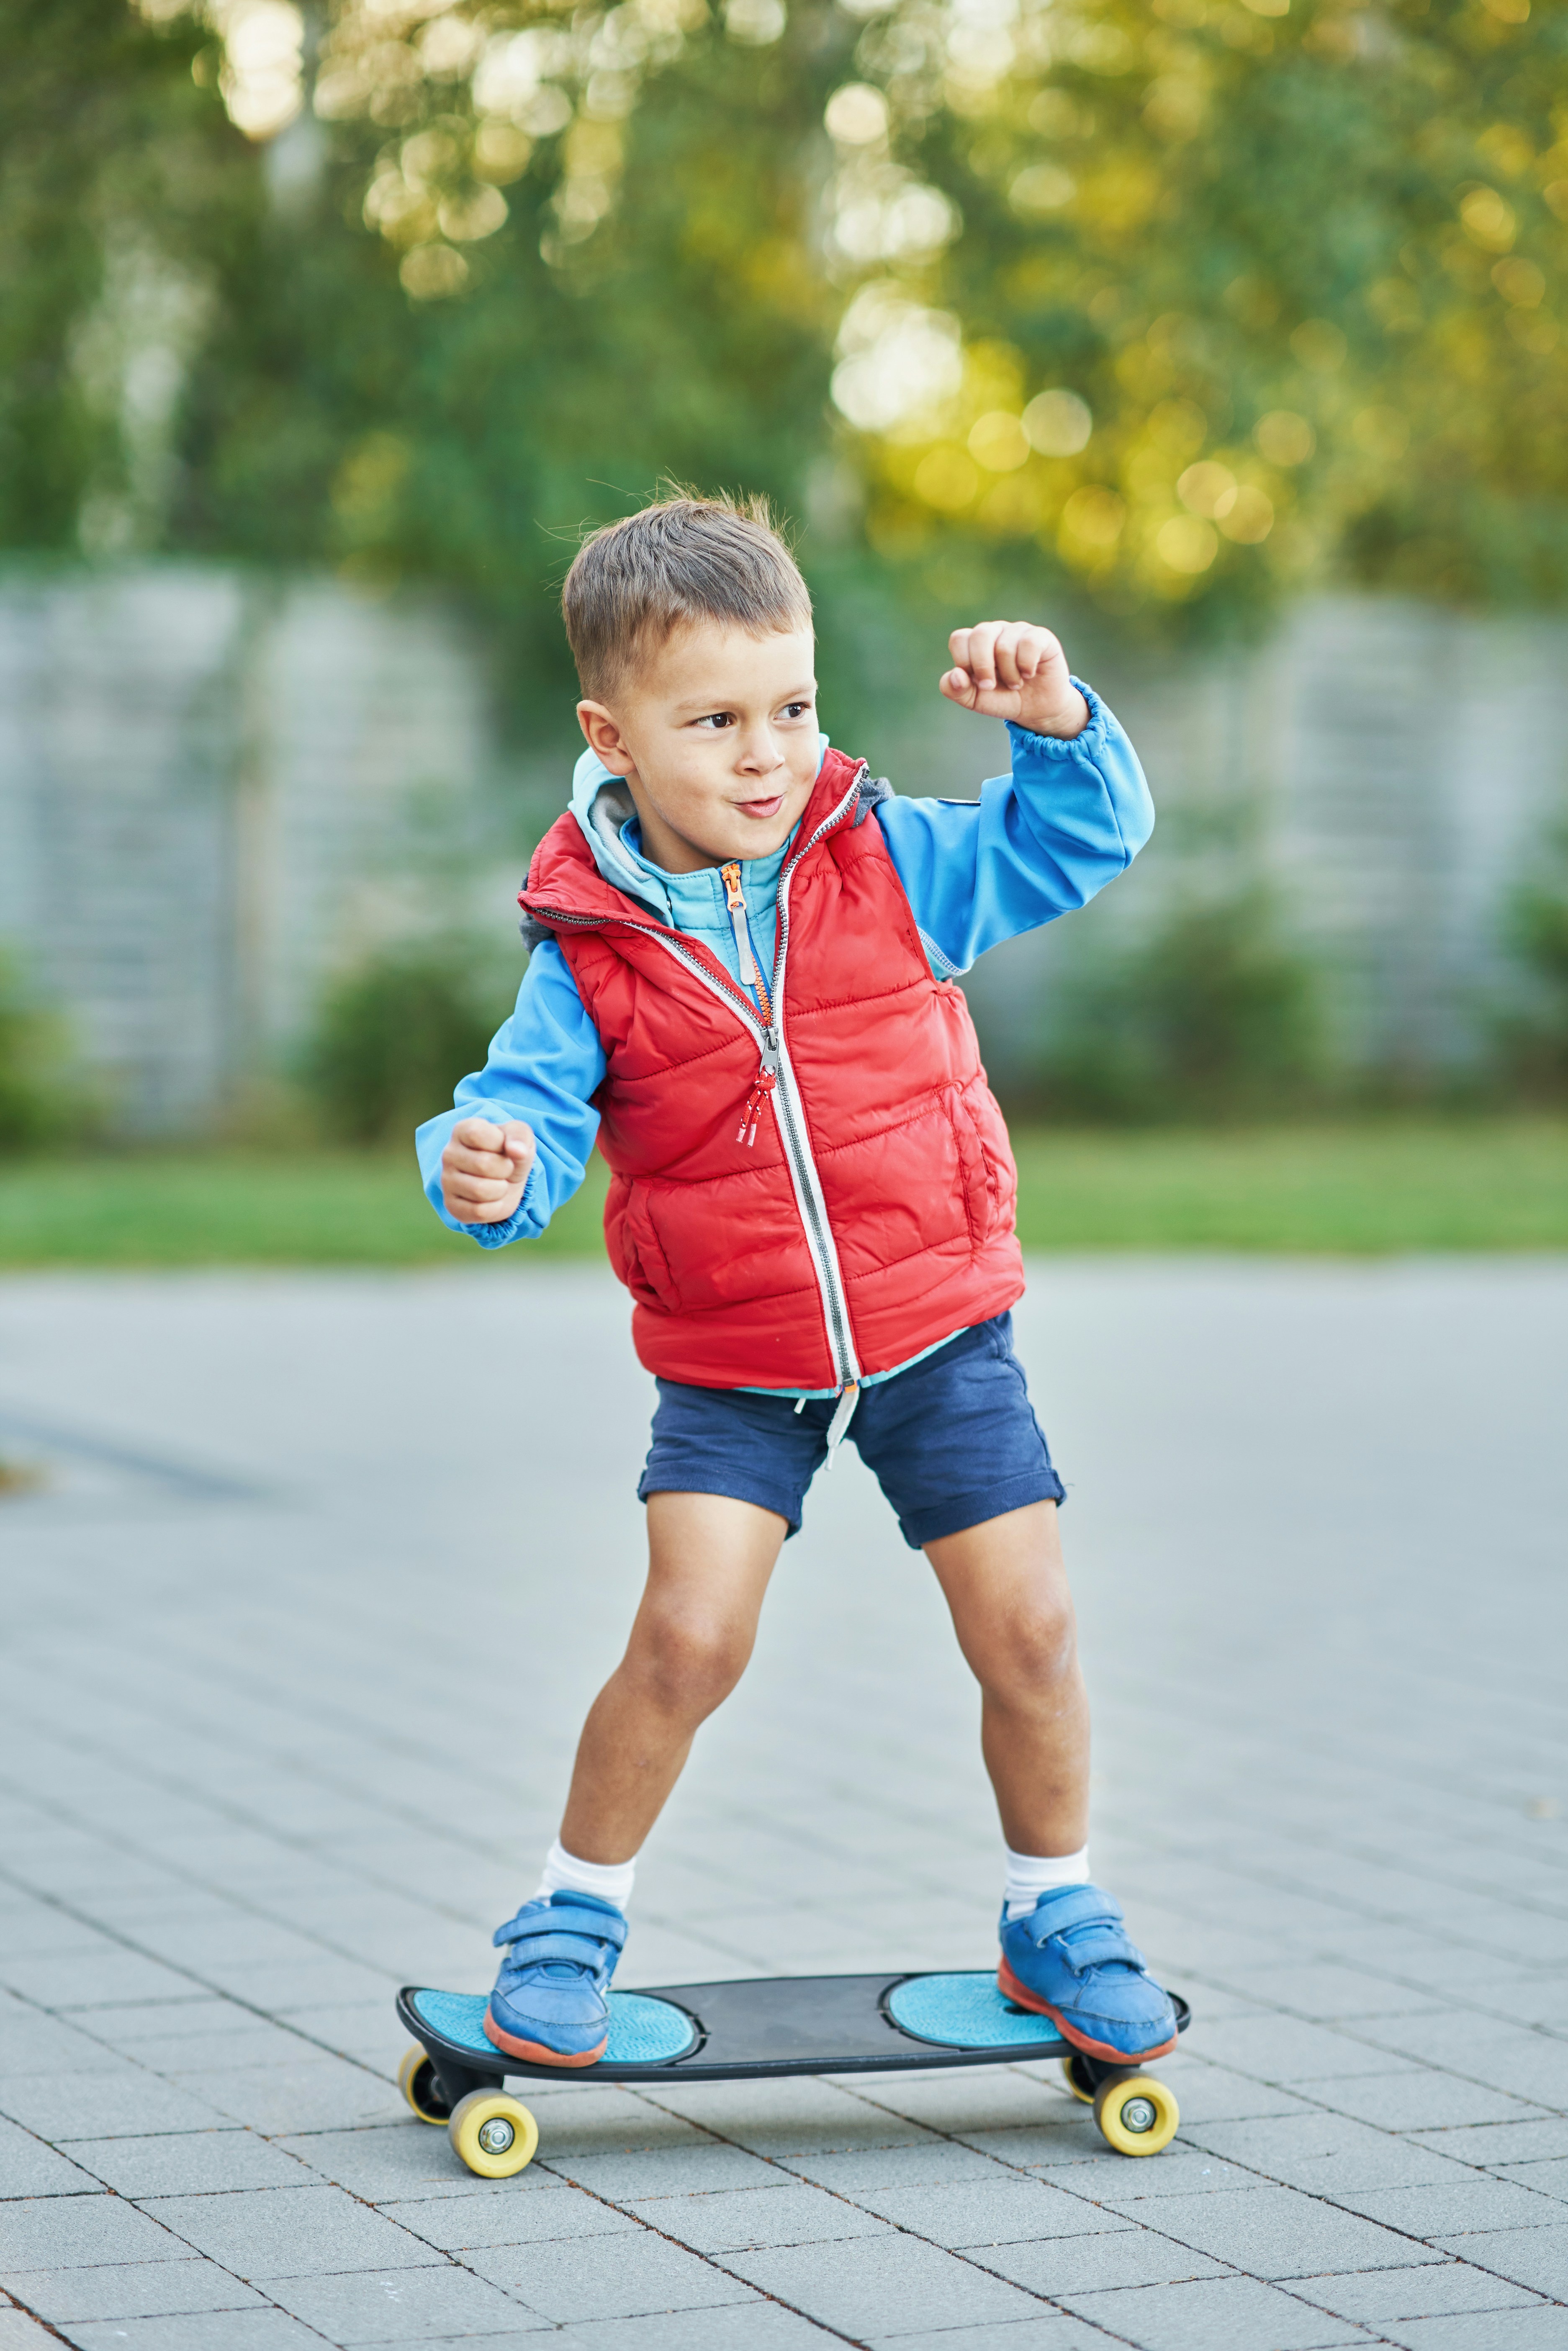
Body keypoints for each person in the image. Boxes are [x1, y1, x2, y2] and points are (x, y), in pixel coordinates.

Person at [415, 493, 1176, 2072]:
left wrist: (1056, 720)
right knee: (689, 1638)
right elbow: (529, 1110)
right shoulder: (592, 947)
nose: (765, 756)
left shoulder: (886, 859)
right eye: (713, 721)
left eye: (793, 708)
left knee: (1029, 1629)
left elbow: (1078, 836)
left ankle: (1058, 1909)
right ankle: (568, 1913)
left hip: (936, 1331)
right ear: (609, 734)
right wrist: (482, 1158)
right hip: (734, 1359)